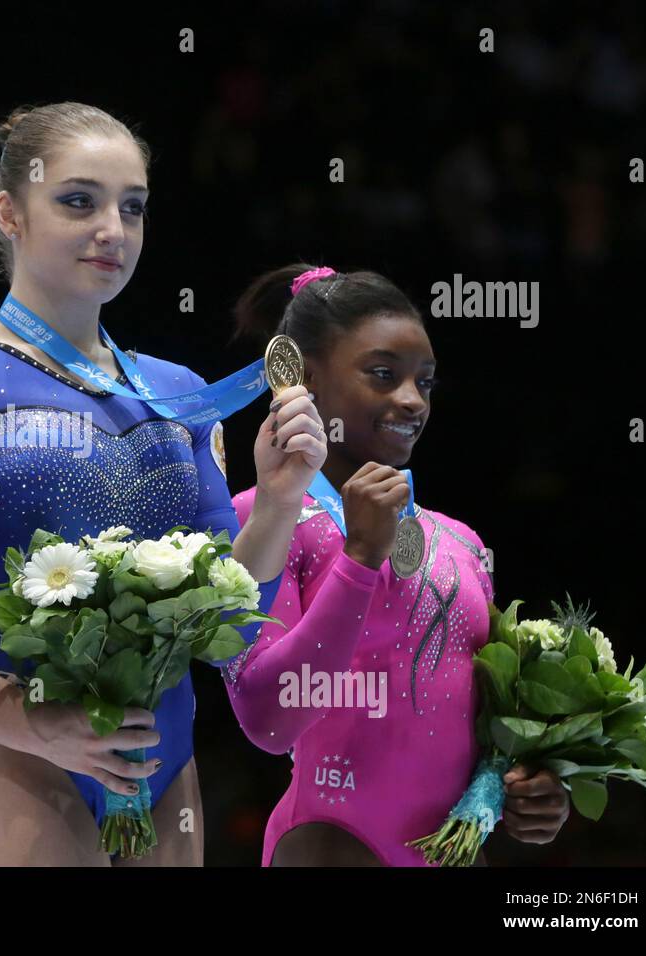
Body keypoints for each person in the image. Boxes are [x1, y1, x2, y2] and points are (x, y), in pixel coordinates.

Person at [0, 103, 327, 865]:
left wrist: (277, 502)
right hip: (22, 768)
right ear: (10, 211)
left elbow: (229, 634)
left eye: (132, 207)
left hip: (166, 771)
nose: (113, 228)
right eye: (79, 201)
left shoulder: (180, 392)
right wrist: (23, 723)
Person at [224, 263, 569, 866]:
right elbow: (268, 718)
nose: (411, 400)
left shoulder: (461, 541)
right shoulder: (267, 517)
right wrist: (359, 560)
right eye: (383, 374)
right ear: (306, 377)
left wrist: (530, 783)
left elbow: (479, 721)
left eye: (425, 382)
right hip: (333, 845)